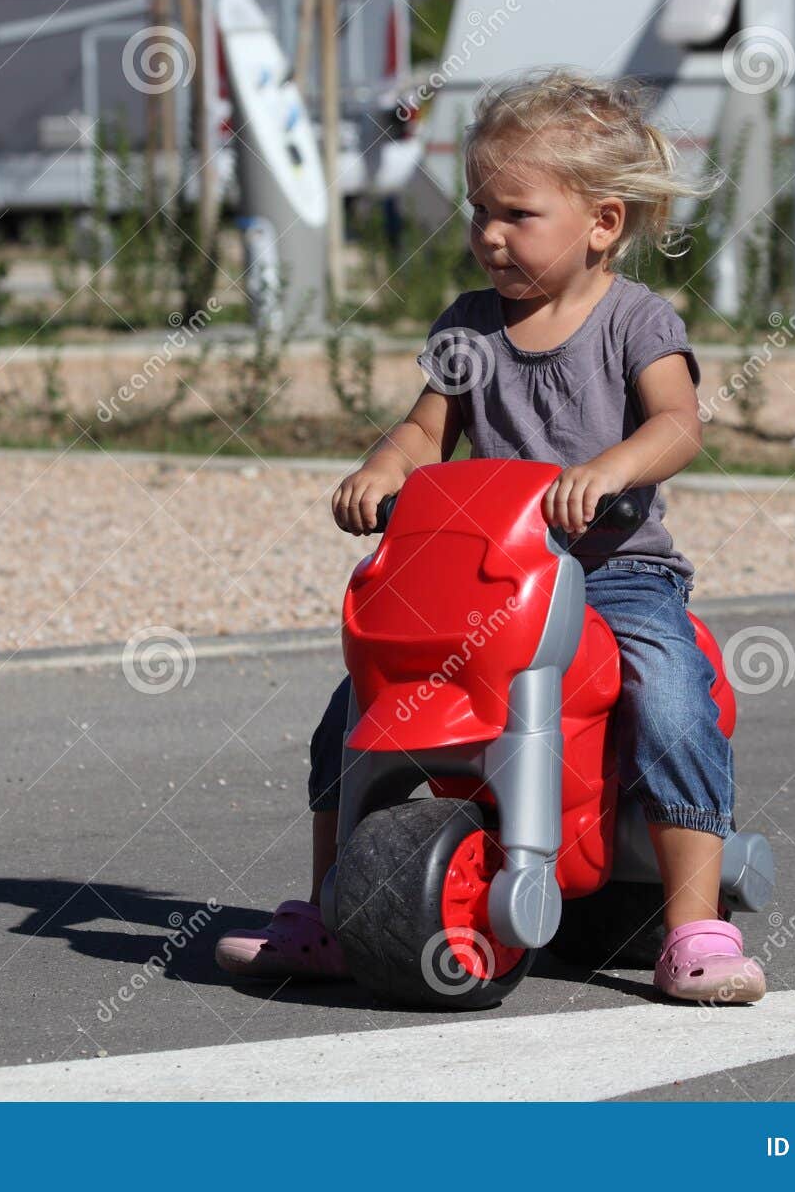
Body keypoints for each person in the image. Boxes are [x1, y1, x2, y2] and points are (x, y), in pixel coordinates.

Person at [215, 68, 766, 1004]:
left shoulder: (635, 320)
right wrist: (385, 469)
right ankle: (333, 909)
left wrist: (613, 468)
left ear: (603, 222)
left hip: (610, 576)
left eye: (518, 213)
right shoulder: (469, 326)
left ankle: (694, 929)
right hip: (485, 581)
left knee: (674, 696)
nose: (489, 234)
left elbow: (680, 423)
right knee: (352, 717)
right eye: (479, 210)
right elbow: (427, 428)